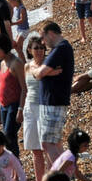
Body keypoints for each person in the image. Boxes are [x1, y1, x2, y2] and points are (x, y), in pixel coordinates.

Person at [33, 21, 74, 170]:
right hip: (53, 101)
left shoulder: (59, 49)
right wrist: (44, 71)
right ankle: (58, 175)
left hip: (54, 102)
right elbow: (41, 71)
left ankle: (62, 176)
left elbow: (39, 73)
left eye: (43, 37)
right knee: (55, 142)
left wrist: (40, 72)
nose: (42, 43)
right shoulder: (63, 48)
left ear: (50, 33)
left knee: (47, 143)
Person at [0, 33, 26, 157]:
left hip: (15, 105)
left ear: (5, 48)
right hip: (4, 106)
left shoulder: (16, 63)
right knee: (7, 138)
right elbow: (2, 87)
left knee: (9, 136)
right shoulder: (2, 63)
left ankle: (16, 167)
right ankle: (13, 167)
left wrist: (20, 110)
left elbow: (24, 88)